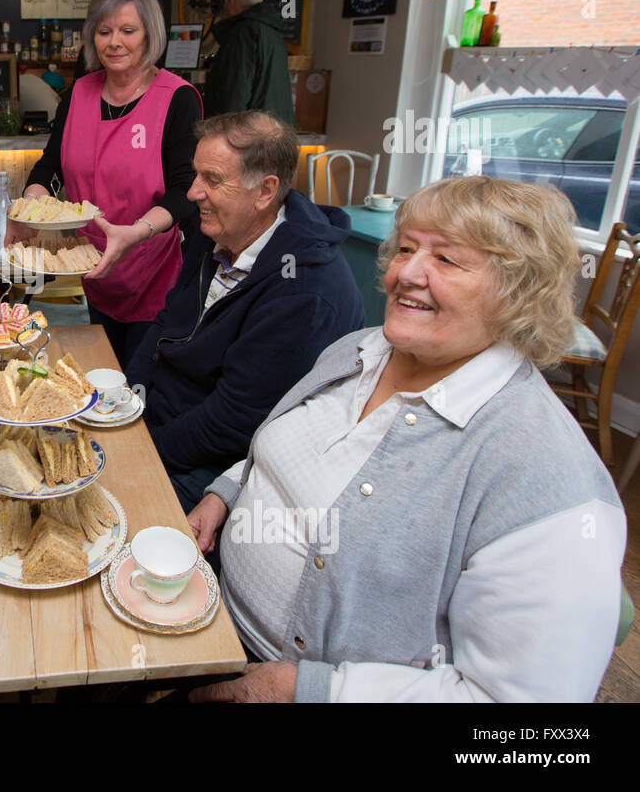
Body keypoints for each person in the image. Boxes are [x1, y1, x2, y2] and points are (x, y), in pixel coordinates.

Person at [186, 176, 626, 702]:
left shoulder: (545, 480)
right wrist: (226, 492)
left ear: (519, 292)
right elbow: (291, 446)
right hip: (211, 616)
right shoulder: (362, 351)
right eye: (408, 249)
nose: (406, 274)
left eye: (447, 260)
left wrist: (304, 689)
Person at [125, 111, 364, 513]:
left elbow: (231, 423)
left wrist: (140, 450)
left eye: (212, 180)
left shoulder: (303, 291)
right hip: (162, 422)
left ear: (265, 191)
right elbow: (167, 323)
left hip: (218, 461)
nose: (193, 192)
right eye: (196, 175)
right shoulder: (220, 230)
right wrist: (124, 401)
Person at [13, 0, 204, 366]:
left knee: (140, 377)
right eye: (104, 31)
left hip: (155, 270)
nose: (114, 41)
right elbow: (51, 166)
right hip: (94, 266)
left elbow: (185, 190)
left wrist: (135, 232)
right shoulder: (78, 93)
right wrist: (28, 210)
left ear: (149, 35)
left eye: (127, 30)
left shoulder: (177, 99)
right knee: (105, 367)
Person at [199, 0, 294, 125]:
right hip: (275, 132)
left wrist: (225, 132)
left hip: (251, 135)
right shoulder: (275, 34)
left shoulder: (243, 33)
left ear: (231, 1)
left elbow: (235, 93)